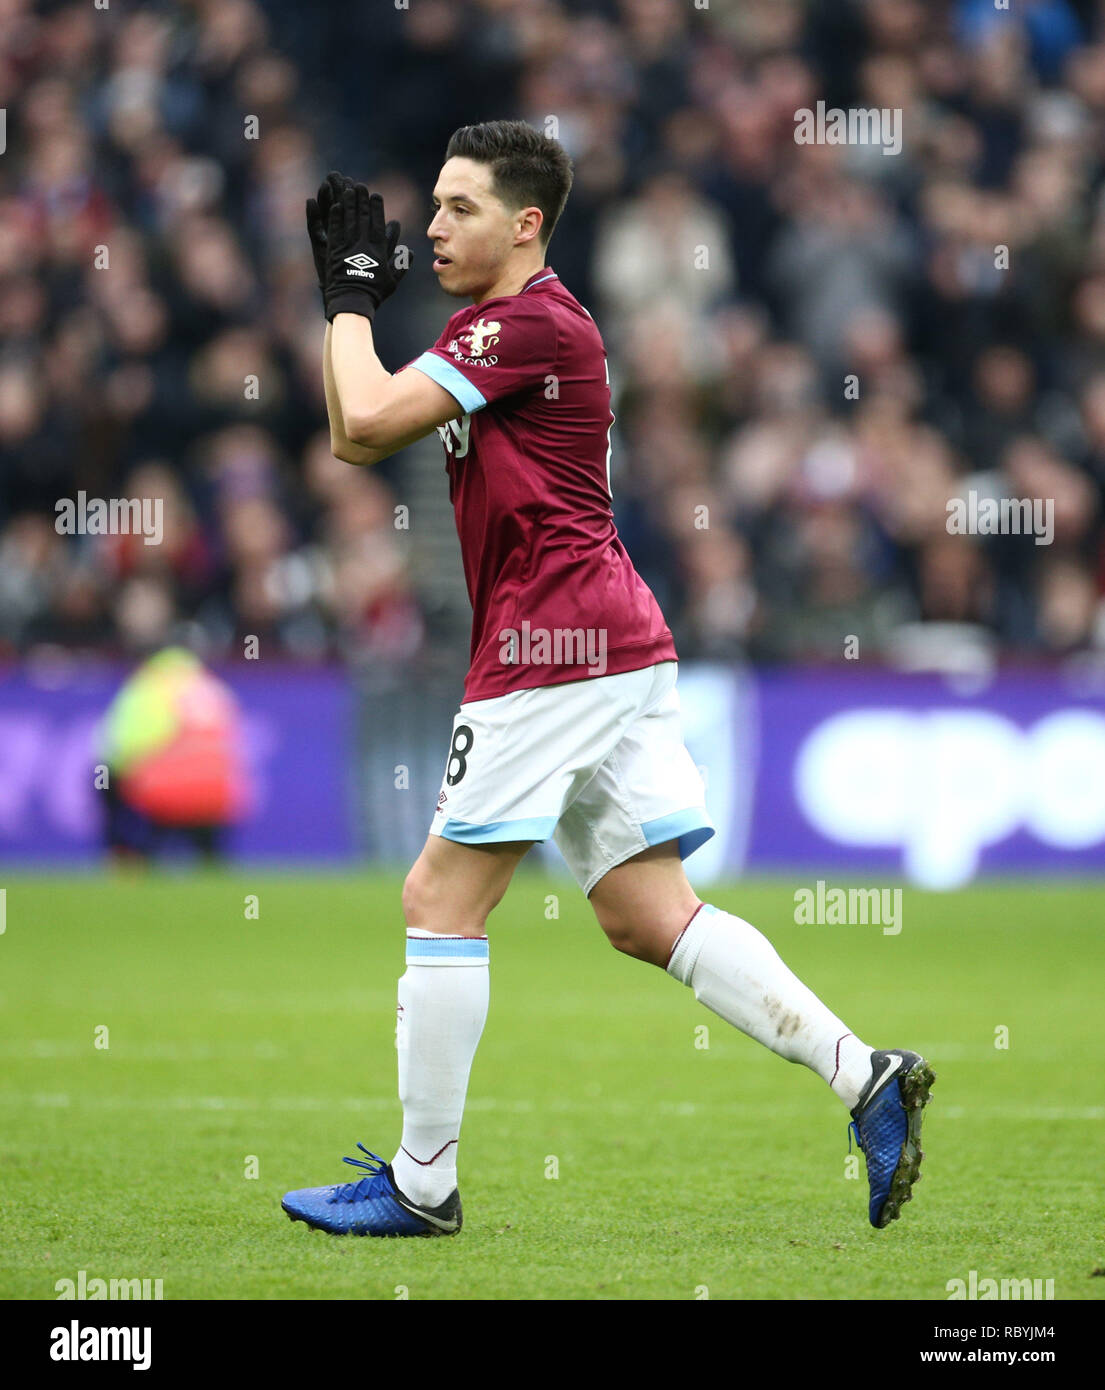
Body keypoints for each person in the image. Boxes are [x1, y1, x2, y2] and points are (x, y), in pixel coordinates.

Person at [282, 122, 933, 1237]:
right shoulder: (503, 325)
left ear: (527, 223)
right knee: (646, 914)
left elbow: (362, 428)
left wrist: (346, 304)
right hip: (609, 639)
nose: (432, 226)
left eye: (460, 208)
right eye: (431, 205)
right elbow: (359, 422)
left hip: (551, 646)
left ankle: (420, 1185)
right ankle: (862, 1074)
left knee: (439, 897)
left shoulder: (524, 322)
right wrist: (354, 310)